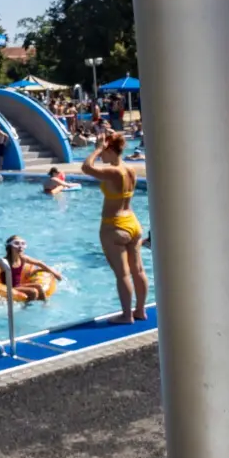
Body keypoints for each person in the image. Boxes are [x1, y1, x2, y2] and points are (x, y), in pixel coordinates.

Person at [82, 131, 149, 323]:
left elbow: (86, 167)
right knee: (138, 270)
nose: (101, 155)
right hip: (133, 223)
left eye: (104, 150)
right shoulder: (130, 169)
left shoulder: (113, 171)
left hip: (115, 225)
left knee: (123, 274)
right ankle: (140, 311)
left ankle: (127, 315)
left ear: (110, 149)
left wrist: (96, 150)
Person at [0, 235, 62, 303]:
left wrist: (55, 273)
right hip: (9, 288)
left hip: (18, 286)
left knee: (38, 286)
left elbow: (39, 263)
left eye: (23, 244)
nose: (20, 246)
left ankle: (45, 305)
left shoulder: (23, 258)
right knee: (33, 292)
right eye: (16, 243)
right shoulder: (4, 261)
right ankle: (26, 308)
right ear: (10, 247)